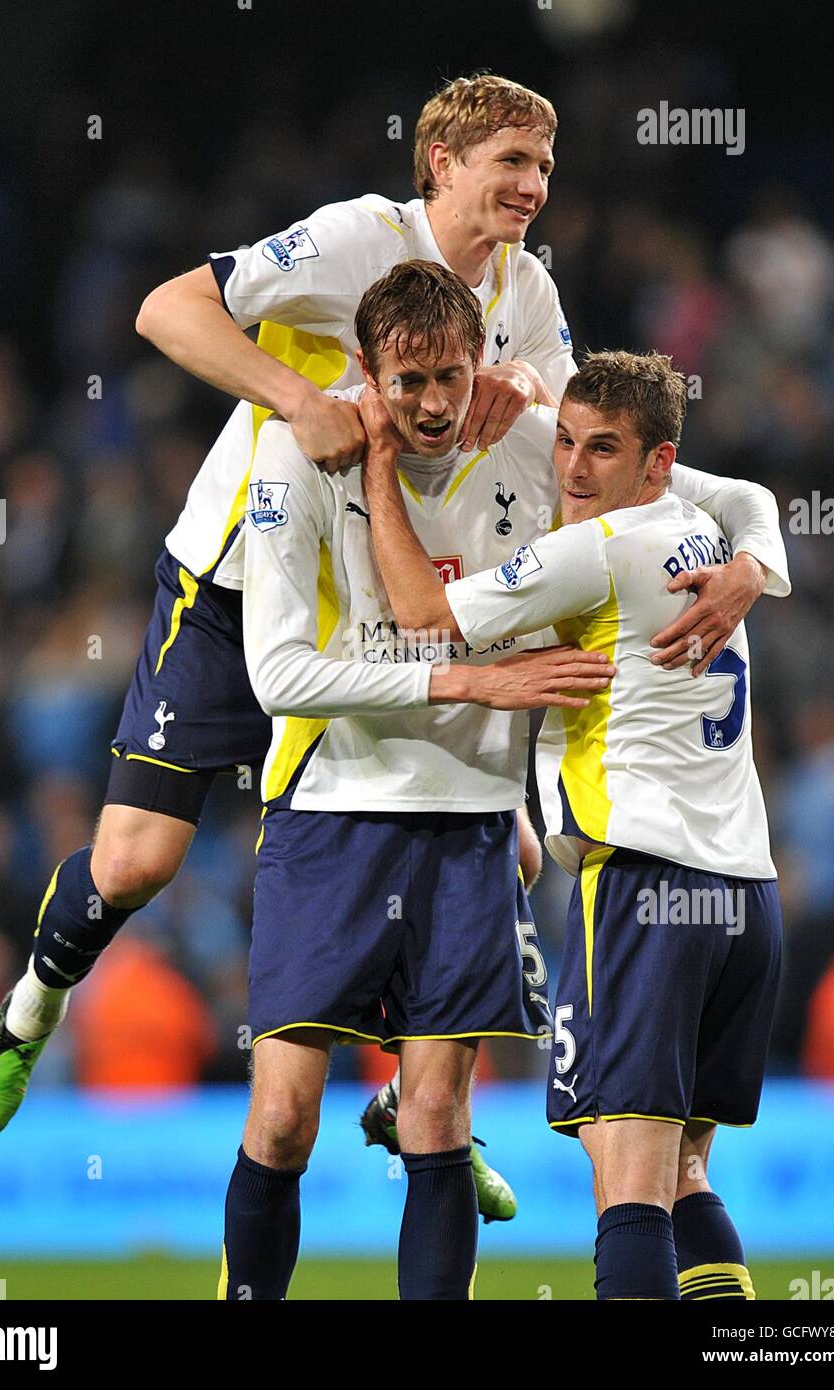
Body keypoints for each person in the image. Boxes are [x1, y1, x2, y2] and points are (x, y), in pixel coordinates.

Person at [0, 74, 577, 1221]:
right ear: (439, 164)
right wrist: (298, 396)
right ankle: (33, 1005)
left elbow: (572, 424)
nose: (535, 187)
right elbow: (165, 311)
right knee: (137, 863)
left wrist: (533, 381)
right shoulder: (351, 241)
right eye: (512, 163)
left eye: (544, 165)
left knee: (507, 854)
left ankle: (421, 1102)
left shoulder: (525, 289)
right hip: (241, 581)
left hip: (382, 609)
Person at [360, 347, 790, 1301]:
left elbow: (422, 612)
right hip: (746, 898)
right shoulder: (704, 534)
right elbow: (754, 495)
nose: (570, 469)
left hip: (644, 888)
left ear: (656, 462)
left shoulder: (596, 551)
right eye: (563, 441)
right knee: (680, 1173)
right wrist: (756, 569)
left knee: (624, 1187)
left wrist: (379, 466)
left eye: (602, 449)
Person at [225, 261, 615, 1301]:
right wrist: (469, 683)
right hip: (330, 806)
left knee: (437, 1114)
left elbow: (660, 520)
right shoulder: (295, 454)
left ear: (485, 357)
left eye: (451, 376)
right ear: (364, 369)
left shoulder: (539, 454)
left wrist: (750, 556)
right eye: (408, 384)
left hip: (473, 823)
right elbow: (276, 674)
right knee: (283, 1115)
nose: (434, 404)